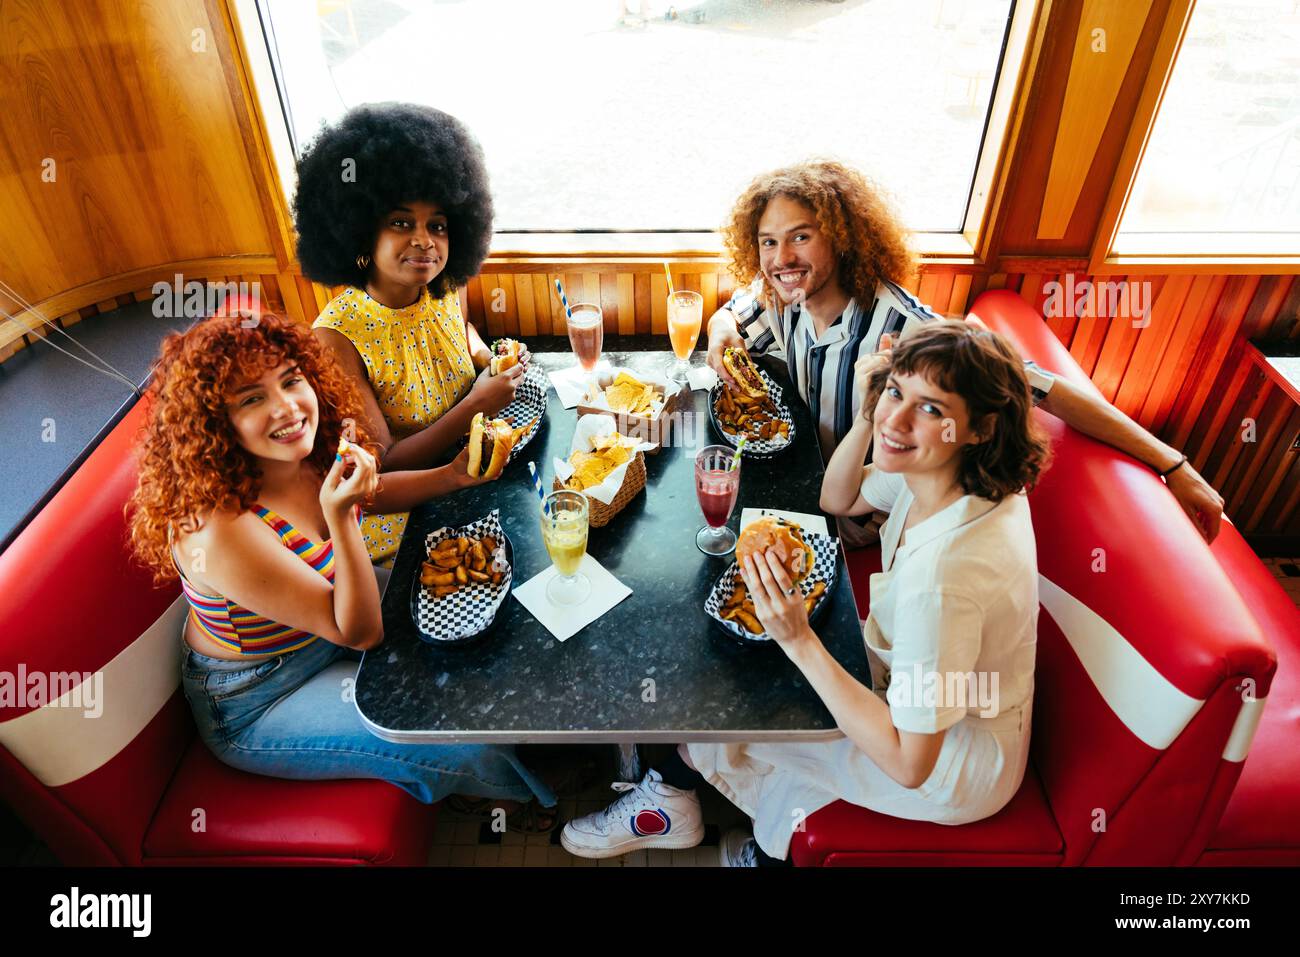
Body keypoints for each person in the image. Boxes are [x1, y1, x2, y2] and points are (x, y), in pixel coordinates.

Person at [561, 322, 1049, 864]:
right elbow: (836, 497)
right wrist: (873, 415)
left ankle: (704, 821)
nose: (899, 418)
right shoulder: (951, 474)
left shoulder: (948, 580)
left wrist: (797, 639)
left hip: (950, 763)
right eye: (896, 390)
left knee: (734, 707)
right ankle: (689, 804)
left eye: (930, 409)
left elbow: (911, 763)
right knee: (751, 674)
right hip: (912, 685)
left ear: (980, 428)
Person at [126, 311, 556, 828]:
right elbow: (360, 632)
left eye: (290, 380)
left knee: (482, 634)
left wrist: (452, 475)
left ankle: (535, 742)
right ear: (214, 421)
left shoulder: (302, 448)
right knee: (451, 738)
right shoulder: (219, 531)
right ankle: (526, 792)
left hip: (331, 623)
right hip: (262, 695)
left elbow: (367, 491)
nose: (286, 408)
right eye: (251, 398)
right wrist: (338, 516)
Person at [705, 160, 1224, 547]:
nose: (781, 258)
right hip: (799, 474)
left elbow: (1046, 389)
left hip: (857, 510)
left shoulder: (907, 330)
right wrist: (720, 329)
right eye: (768, 242)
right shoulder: (779, 292)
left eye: (800, 237)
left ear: (842, 239)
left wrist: (1174, 464)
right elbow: (732, 314)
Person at [293, 102, 527, 565]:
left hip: (479, 474)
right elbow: (382, 468)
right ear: (360, 233)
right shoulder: (335, 338)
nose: (424, 240)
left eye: (436, 226)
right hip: (408, 531)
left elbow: (461, 332)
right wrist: (478, 404)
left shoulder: (444, 286)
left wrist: (487, 356)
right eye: (402, 223)